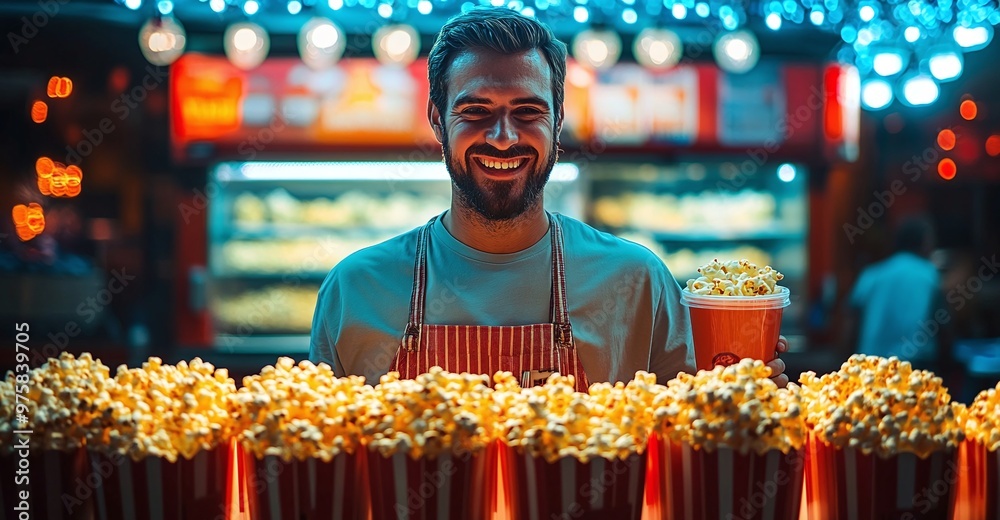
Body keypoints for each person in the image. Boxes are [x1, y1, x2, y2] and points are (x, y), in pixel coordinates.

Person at [309, 7, 790, 388]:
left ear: (557, 123)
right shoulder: (356, 290)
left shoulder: (637, 284)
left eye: (528, 112)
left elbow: (691, 447)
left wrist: (745, 393)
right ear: (437, 120)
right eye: (476, 111)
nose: (502, 137)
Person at [847, 216, 942, 367]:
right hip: (914, 367)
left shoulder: (871, 275)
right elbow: (942, 323)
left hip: (870, 367)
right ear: (924, 242)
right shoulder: (929, 274)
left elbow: (851, 325)